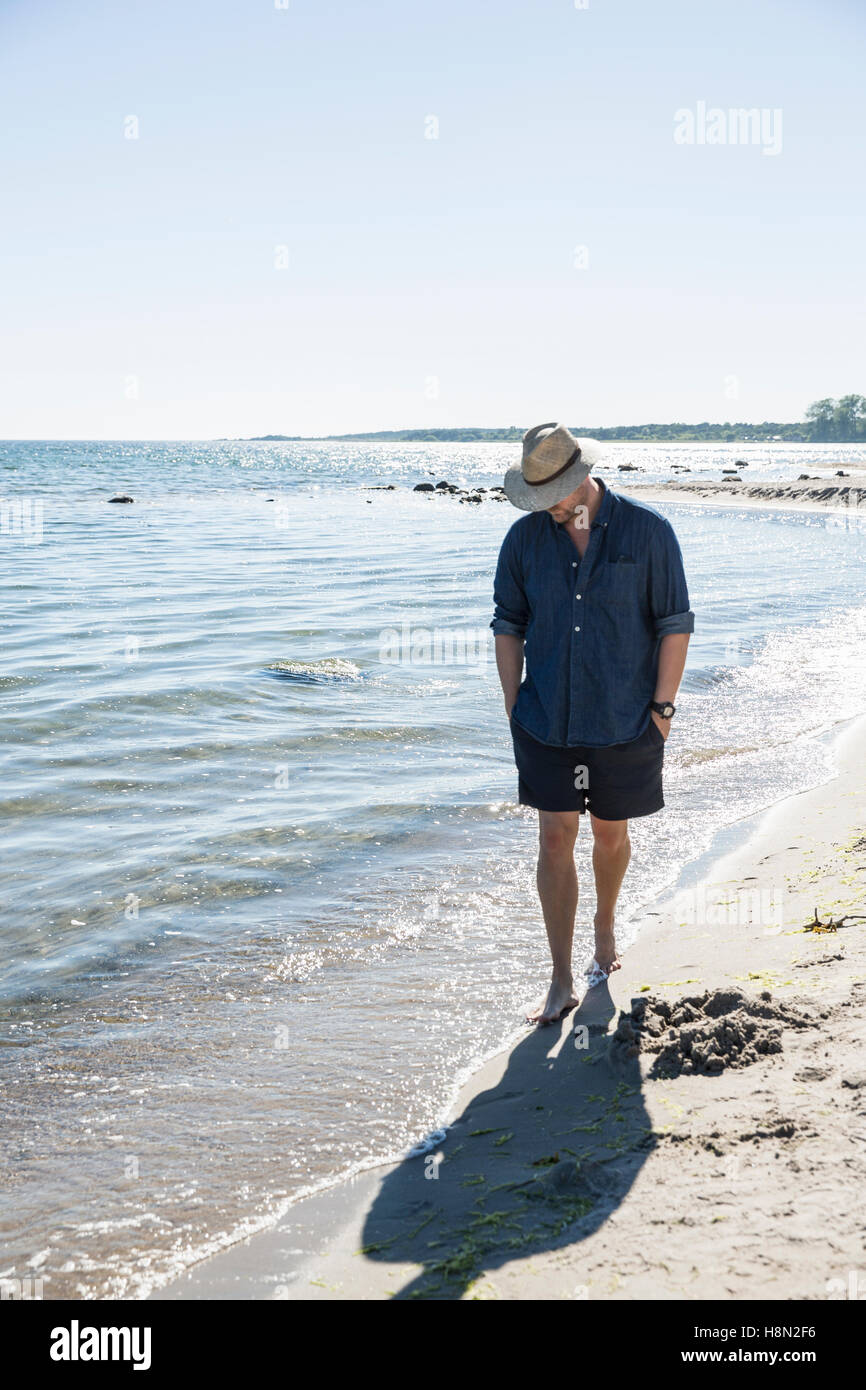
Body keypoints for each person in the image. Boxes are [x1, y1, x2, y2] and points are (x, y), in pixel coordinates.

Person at [491, 422, 694, 1024]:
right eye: (540, 497)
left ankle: (605, 927)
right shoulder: (525, 540)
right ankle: (559, 976)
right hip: (545, 721)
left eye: (557, 493)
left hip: (626, 720)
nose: (551, 507)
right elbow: (508, 625)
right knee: (554, 838)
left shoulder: (648, 531)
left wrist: (661, 712)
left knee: (611, 835)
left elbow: (675, 624)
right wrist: (513, 707)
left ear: (583, 476)